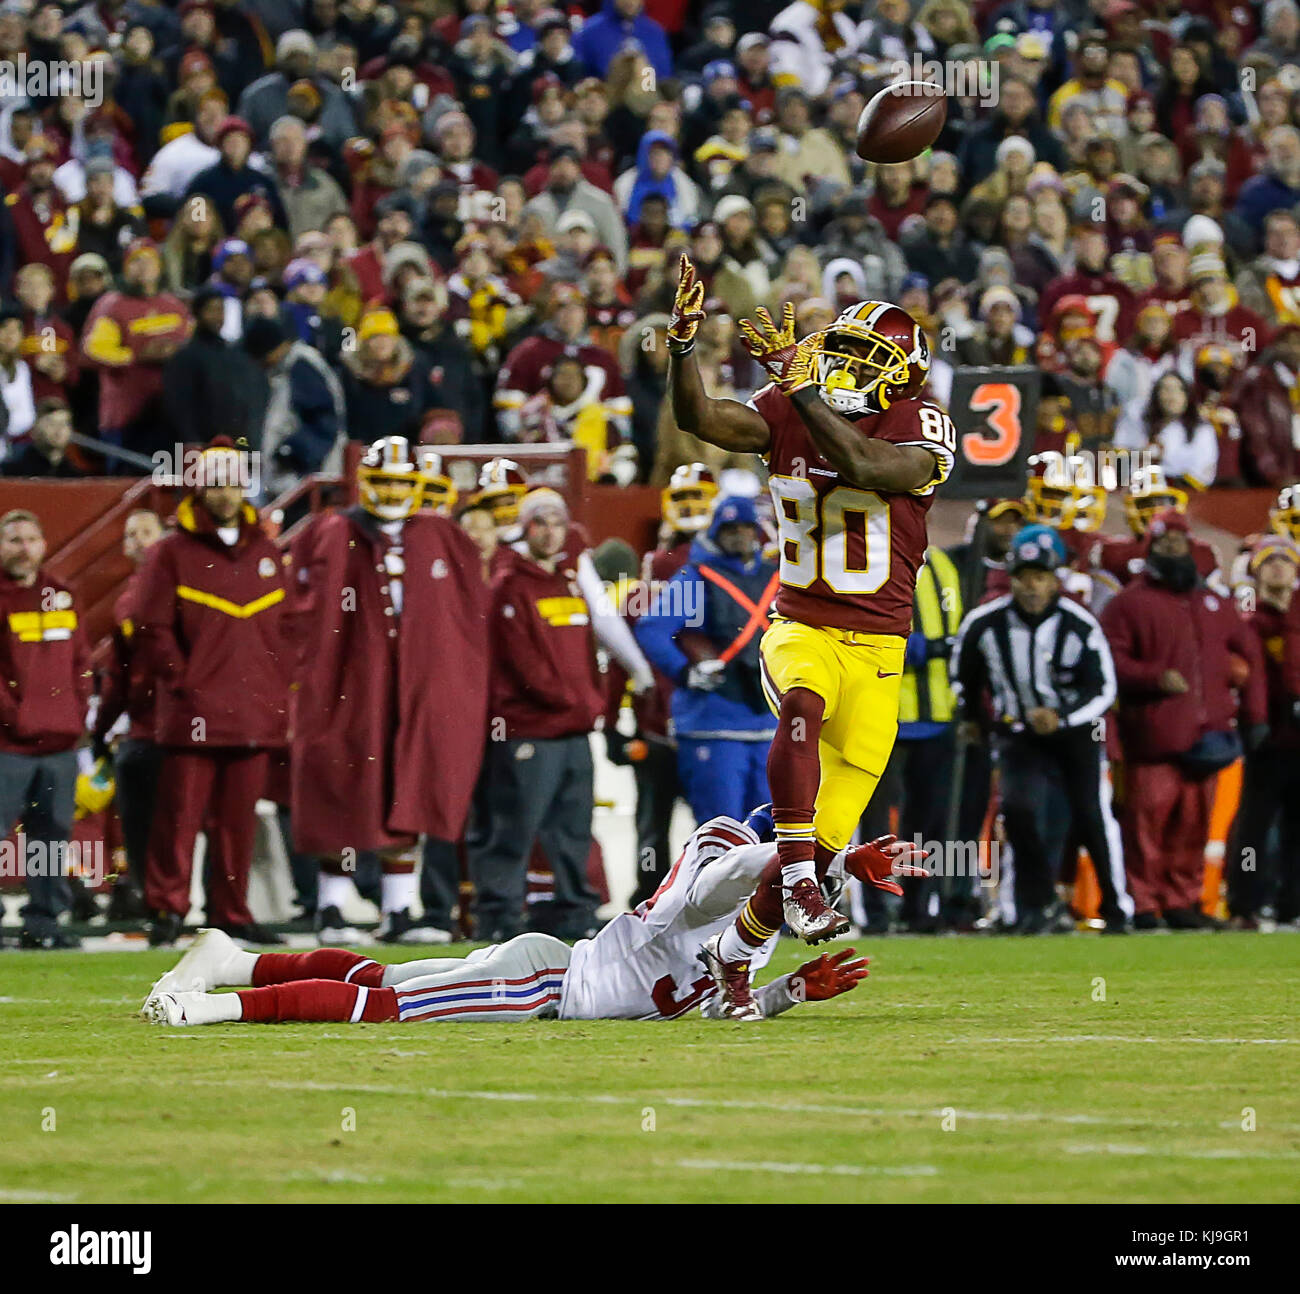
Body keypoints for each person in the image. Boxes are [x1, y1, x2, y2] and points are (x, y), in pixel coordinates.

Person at [664, 259, 957, 1019]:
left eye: (867, 360)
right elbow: (702, 419)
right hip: (804, 623)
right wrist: (683, 349)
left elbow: (864, 463)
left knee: (826, 838)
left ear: (902, 380)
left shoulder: (920, 426)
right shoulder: (788, 404)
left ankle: (733, 959)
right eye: (843, 350)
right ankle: (800, 882)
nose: (844, 367)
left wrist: (798, 388)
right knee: (800, 702)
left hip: (882, 652)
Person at [142, 809, 917, 1026]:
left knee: (379, 976)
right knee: (382, 1008)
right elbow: (726, 893)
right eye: (800, 867)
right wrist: (831, 861)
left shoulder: (758, 921)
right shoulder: (727, 858)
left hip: (548, 971)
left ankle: (228, 960)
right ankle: (207, 1010)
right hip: (543, 982)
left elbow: (715, 995)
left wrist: (790, 994)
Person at [287, 437, 489, 946]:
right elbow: (301, 610)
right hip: (352, 681)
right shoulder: (333, 531)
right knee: (341, 781)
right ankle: (331, 906)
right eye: (386, 482)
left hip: (420, 683)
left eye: (403, 482)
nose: (395, 492)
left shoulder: (440, 535)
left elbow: (468, 615)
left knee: (411, 785)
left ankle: (399, 909)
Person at [132, 439, 291, 947]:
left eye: (232, 481)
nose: (225, 493)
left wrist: (275, 690)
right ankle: (167, 911)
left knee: (237, 823)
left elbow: (287, 631)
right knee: (178, 819)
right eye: (215, 482)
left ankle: (231, 912)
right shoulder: (169, 553)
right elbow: (150, 628)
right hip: (192, 711)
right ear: (199, 486)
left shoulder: (268, 551)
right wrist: (183, 681)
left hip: (253, 712)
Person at [952, 525, 1132, 934]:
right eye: (1023, 577)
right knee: (1018, 811)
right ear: (1011, 579)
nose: (1031, 586)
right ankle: (1034, 906)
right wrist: (975, 721)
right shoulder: (985, 624)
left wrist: (1063, 715)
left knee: (1092, 815)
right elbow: (963, 677)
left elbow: (1104, 688)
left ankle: (1117, 907)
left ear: (1055, 580)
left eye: (1039, 577)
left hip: (1077, 734)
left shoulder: (1079, 624)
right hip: (1018, 735)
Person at [1101, 509, 1267, 930]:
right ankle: (1142, 903)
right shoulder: (1128, 604)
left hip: (1208, 735)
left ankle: (1183, 901)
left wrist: (1252, 714)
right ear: (1150, 548)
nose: (1173, 549)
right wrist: (1153, 677)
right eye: (1164, 542)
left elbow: (1250, 658)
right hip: (1151, 736)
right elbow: (1109, 662)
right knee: (1145, 827)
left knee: (1193, 827)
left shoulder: (1215, 603)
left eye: (1179, 540)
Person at [471, 488, 607, 943]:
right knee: (514, 828)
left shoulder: (568, 580)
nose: (550, 532)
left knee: (573, 829)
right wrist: (578, 702)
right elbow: (522, 664)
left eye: (557, 522)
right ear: (524, 528)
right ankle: (499, 918)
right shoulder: (509, 583)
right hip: (530, 730)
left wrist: (592, 699)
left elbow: (589, 652)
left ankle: (575, 913)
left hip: (573, 730)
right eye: (540, 522)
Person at [635, 495, 778, 824]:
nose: (739, 535)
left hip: (768, 725)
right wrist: (686, 673)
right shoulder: (696, 577)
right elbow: (652, 630)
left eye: (745, 527)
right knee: (721, 836)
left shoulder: (775, 577)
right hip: (713, 722)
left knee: (772, 840)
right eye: (729, 528)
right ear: (715, 532)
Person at [0, 509, 91, 949]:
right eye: (14, 539)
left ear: (43, 544)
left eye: (30, 539)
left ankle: (44, 922)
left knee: (51, 837)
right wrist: (14, 716)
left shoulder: (64, 595)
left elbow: (81, 664)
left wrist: (76, 713)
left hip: (59, 743)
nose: (23, 548)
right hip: (7, 743)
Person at [92, 508, 165, 922]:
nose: (139, 540)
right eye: (131, 534)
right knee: (137, 821)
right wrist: (104, 727)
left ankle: (219, 909)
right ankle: (147, 899)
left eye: (147, 531)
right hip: (144, 728)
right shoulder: (127, 599)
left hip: (187, 728)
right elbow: (121, 674)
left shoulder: (184, 587)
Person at [1225, 535, 1300, 928]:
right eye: (1270, 561)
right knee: (1253, 826)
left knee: (1296, 829)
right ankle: (1245, 905)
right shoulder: (1248, 618)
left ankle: (1293, 904)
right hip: (1267, 737)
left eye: (1285, 561)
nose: (1278, 567)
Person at [81, 238, 193, 466]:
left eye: (149, 261)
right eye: (136, 261)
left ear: (159, 266)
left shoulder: (174, 305)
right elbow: (91, 351)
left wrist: (176, 352)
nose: (143, 267)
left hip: (169, 413)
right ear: (125, 268)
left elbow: (194, 346)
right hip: (125, 416)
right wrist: (137, 356)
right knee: (126, 481)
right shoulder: (112, 305)